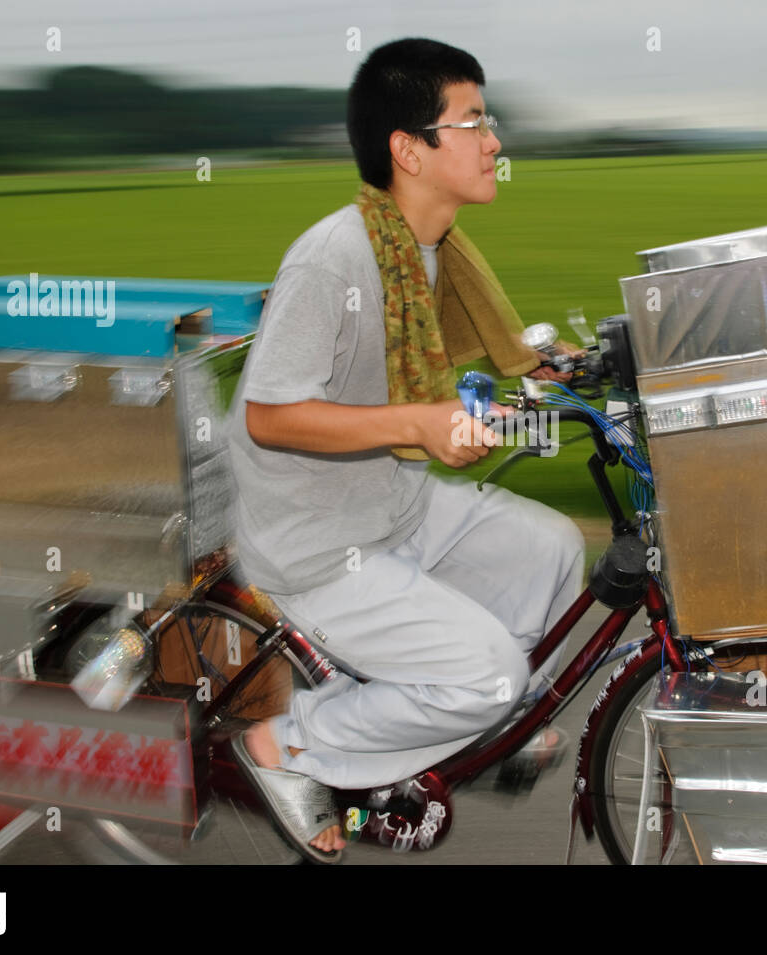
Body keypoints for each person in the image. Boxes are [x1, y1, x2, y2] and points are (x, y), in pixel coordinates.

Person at [225, 37, 585, 862]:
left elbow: (450, 365)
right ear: (409, 149)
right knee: (487, 672)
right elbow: (271, 416)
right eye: (472, 123)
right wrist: (417, 424)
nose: (494, 142)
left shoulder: (429, 248)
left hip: (396, 500)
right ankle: (289, 744)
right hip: (316, 540)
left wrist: (546, 367)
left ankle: (457, 730)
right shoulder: (336, 257)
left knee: (555, 550)